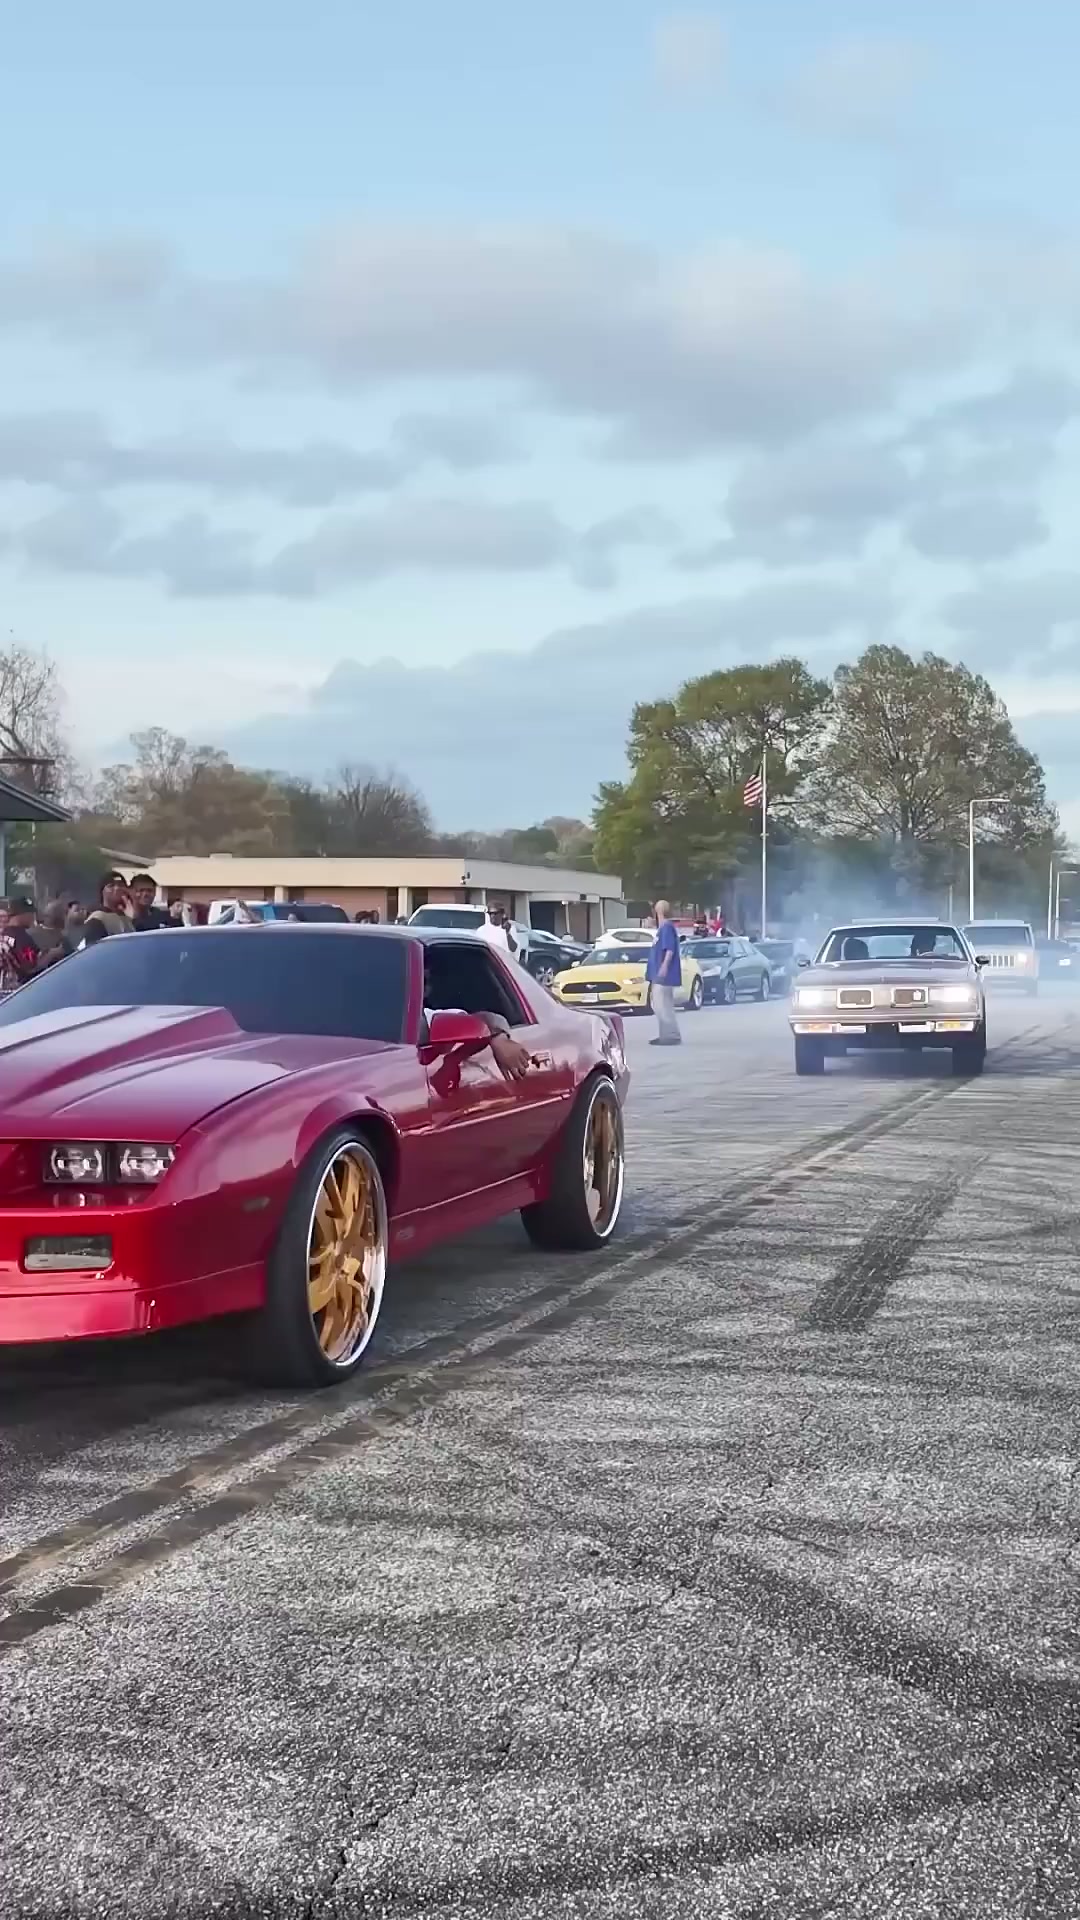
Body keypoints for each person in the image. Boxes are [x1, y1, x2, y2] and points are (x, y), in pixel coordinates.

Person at [647, 899, 682, 1046]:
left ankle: (671, 1035)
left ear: (659, 911)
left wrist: (664, 966)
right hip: (658, 974)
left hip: (663, 975)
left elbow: (670, 949)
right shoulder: (662, 928)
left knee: (662, 1005)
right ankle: (665, 1035)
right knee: (660, 1005)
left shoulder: (667, 927)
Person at [85, 872, 133, 938]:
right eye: (111, 886)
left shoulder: (127, 917)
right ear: (102, 891)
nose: (117, 888)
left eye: (121, 885)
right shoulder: (97, 918)